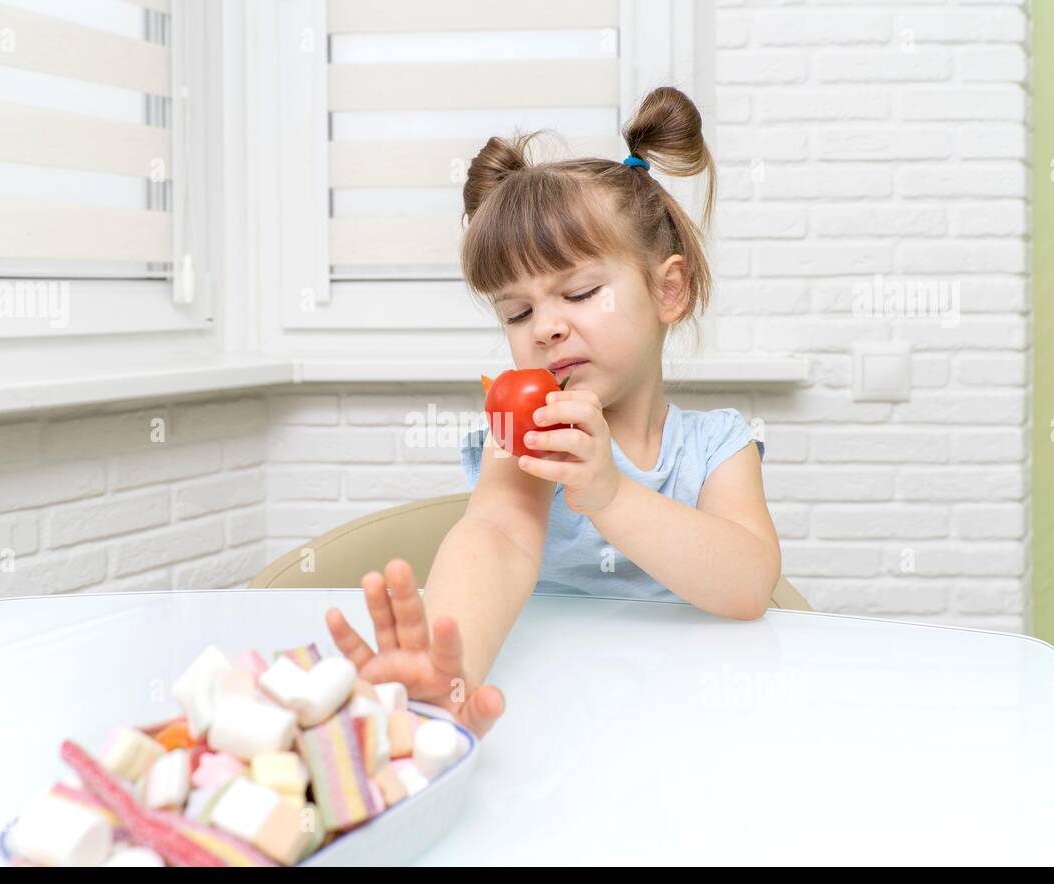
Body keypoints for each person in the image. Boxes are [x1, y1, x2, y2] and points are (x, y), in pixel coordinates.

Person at [324, 86, 780, 740]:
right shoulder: (530, 436)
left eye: (580, 292)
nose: (545, 329)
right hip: (555, 711)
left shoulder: (717, 447)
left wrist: (609, 493)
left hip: (695, 716)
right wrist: (447, 674)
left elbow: (747, 588)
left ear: (667, 289)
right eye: (518, 312)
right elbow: (497, 537)